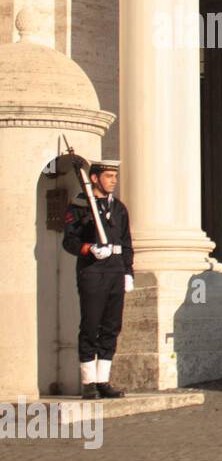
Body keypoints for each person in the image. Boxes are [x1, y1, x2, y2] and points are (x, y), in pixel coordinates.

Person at [61, 158, 133, 399]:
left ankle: (103, 380)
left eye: (115, 176)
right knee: (91, 326)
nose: (114, 180)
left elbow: (126, 243)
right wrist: (88, 249)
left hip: (115, 270)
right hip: (92, 271)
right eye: (109, 176)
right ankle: (88, 382)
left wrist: (127, 272)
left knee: (112, 326)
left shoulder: (119, 208)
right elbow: (69, 241)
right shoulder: (80, 206)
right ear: (94, 178)